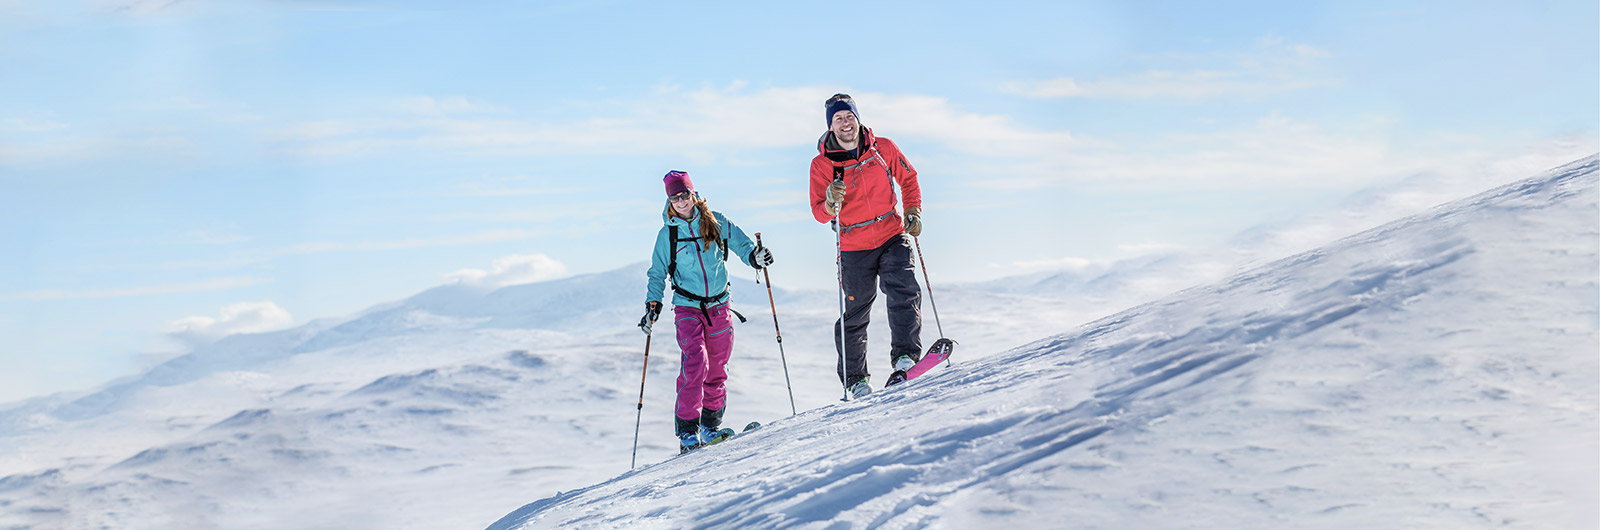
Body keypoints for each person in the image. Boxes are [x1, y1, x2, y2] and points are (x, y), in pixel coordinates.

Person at [640, 170, 775, 454]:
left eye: (684, 195)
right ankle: (688, 431)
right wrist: (653, 306)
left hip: (719, 304)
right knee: (695, 362)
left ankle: (710, 425)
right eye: (675, 198)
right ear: (669, 201)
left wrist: (756, 257)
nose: (681, 201)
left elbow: (743, 246)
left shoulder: (716, 221)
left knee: (717, 366)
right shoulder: (668, 235)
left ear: (693, 194)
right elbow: (656, 273)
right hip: (687, 307)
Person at [808, 93, 924, 399]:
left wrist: (913, 211)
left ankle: (906, 357)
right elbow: (819, 212)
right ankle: (855, 379)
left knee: (903, 288)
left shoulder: (883, 148)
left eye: (849, 117)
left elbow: (909, 178)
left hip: (891, 232)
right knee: (855, 312)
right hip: (853, 245)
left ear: (858, 118)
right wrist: (831, 200)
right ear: (830, 126)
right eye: (838, 119)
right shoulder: (822, 165)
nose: (846, 124)